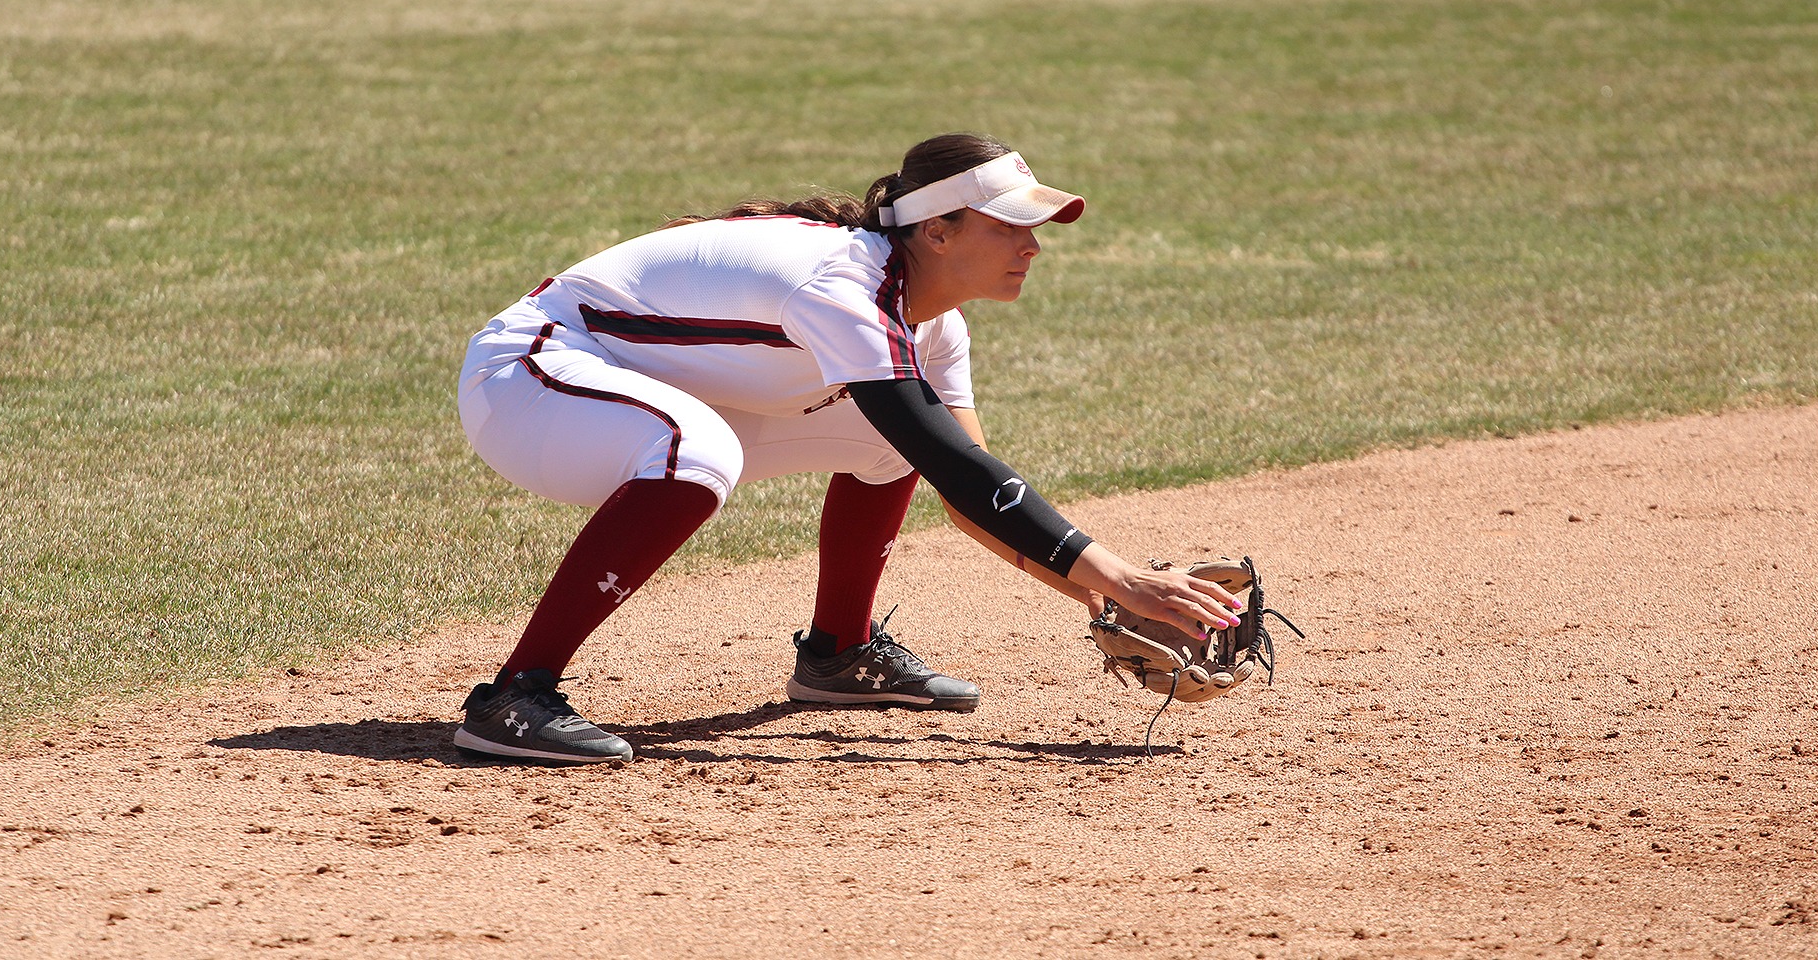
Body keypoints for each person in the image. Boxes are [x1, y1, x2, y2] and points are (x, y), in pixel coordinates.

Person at [452, 132, 1246, 764]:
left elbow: (964, 488)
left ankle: (839, 654)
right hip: (529, 378)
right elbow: (971, 476)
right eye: (1011, 226)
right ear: (937, 231)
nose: (1032, 246)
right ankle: (514, 695)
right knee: (696, 451)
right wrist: (1126, 577)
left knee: (893, 443)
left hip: (647, 386)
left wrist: (1108, 599)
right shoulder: (843, 285)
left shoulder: (933, 328)